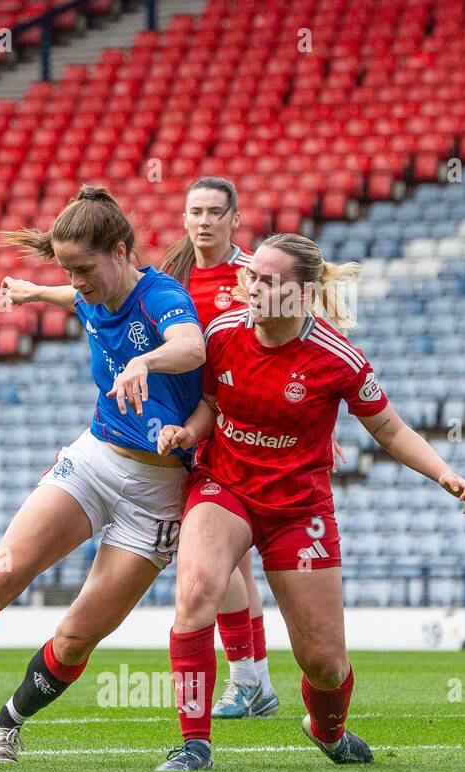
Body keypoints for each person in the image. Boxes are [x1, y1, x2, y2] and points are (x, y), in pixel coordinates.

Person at [0, 185, 207, 762]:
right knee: (2, 573)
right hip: (94, 458)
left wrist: (144, 359)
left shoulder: (161, 296)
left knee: (77, 634)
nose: (77, 281)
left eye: (83, 268)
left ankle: (8, 720)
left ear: (120, 252)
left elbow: (192, 348)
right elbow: (79, 300)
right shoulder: (90, 290)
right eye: (66, 269)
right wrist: (37, 291)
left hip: (157, 494)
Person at [152, 233, 465, 771]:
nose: (253, 287)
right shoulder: (222, 333)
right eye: (252, 275)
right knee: (196, 590)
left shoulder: (335, 356)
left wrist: (444, 473)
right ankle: (193, 743)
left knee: (324, 664)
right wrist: (188, 433)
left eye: (270, 282)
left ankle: (326, 728)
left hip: (299, 509)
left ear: (302, 295)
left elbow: (390, 430)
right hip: (224, 487)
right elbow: (211, 404)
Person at [157, 177, 277, 718]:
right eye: (194, 212)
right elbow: (106, 290)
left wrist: (323, 422)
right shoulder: (171, 276)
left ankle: (248, 679)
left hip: (238, 429)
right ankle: (258, 683)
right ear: (184, 219)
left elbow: (297, 340)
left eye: (214, 212)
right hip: (196, 421)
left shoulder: (255, 274)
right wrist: (40, 292)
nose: (203, 221)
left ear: (234, 217)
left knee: (218, 558)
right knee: (233, 563)